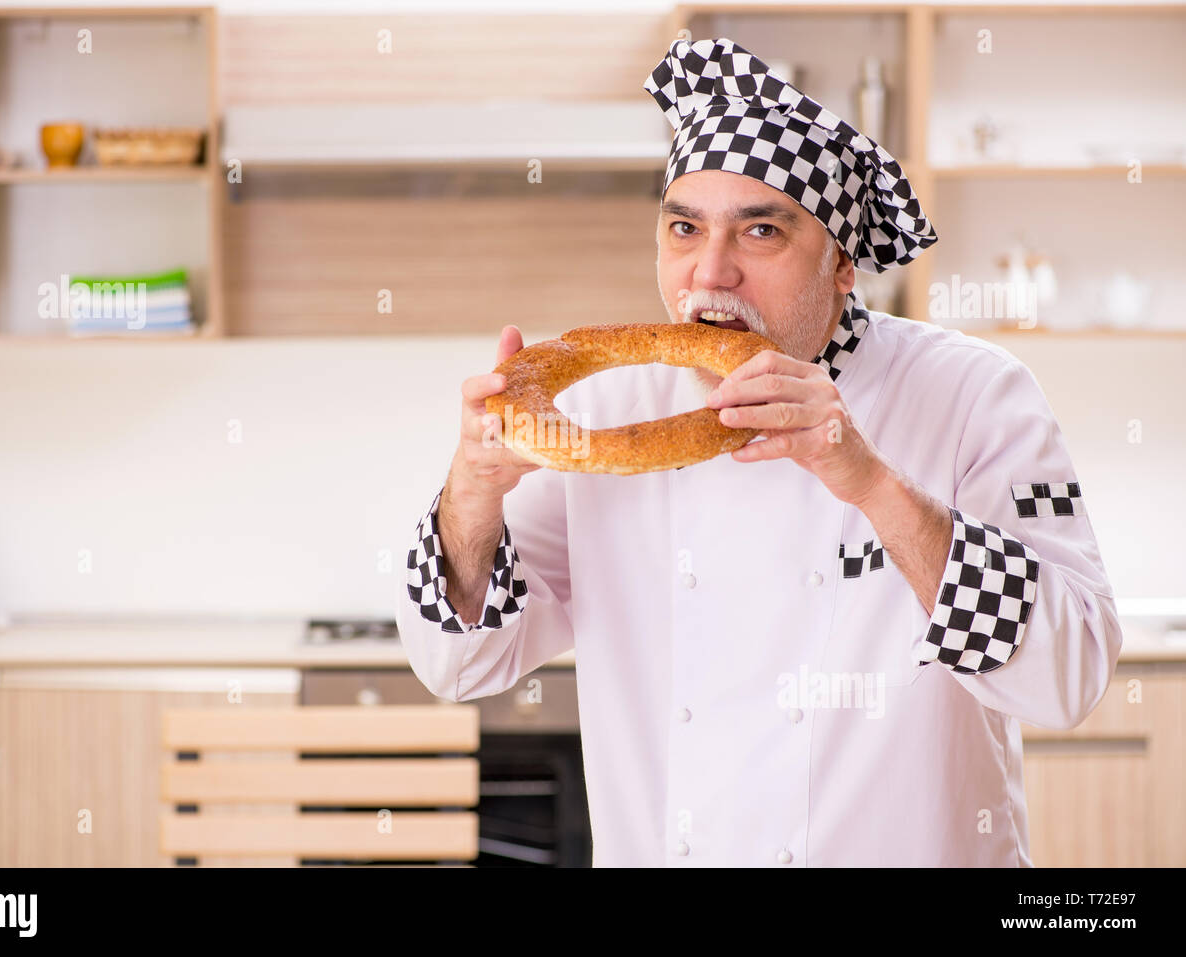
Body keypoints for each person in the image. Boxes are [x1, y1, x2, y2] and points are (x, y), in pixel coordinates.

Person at [395, 37, 1121, 866]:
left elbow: (1069, 675)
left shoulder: (974, 394)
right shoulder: (600, 418)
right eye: (683, 229)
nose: (711, 273)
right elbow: (463, 662)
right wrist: (472, 496)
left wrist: (874, 485)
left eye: (761, 232)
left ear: (843, 266)